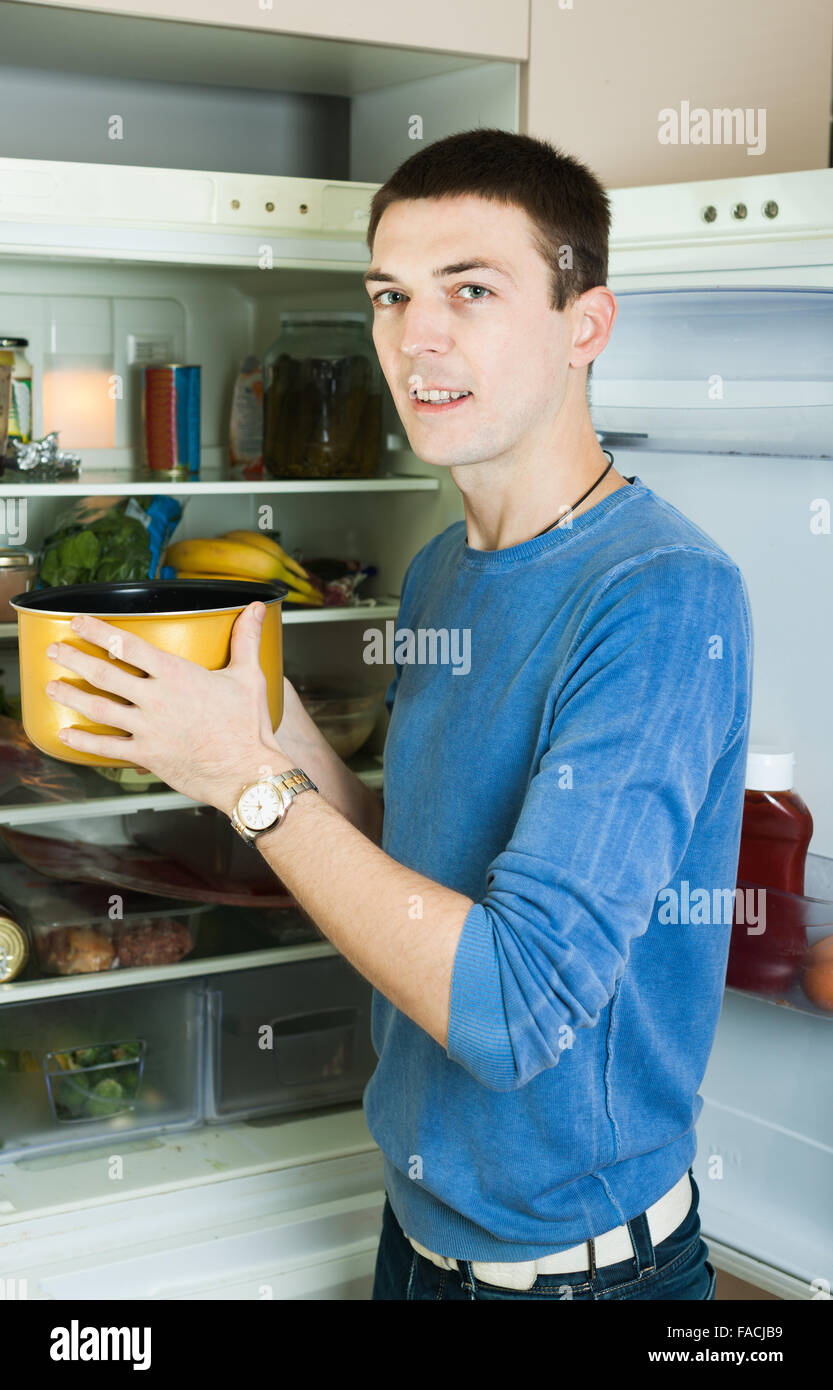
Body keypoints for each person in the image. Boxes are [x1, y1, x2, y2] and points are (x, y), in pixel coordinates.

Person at [46, 129, 752, 1302]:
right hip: (416, 1240)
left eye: (470, 290)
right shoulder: (441, 571)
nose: (413, 337)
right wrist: (268, 723)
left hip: (576, 1281)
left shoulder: (661, 595)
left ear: (586, 325)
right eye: (390, 294)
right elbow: (408, 856)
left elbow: (511, 1009)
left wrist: (244, 779)